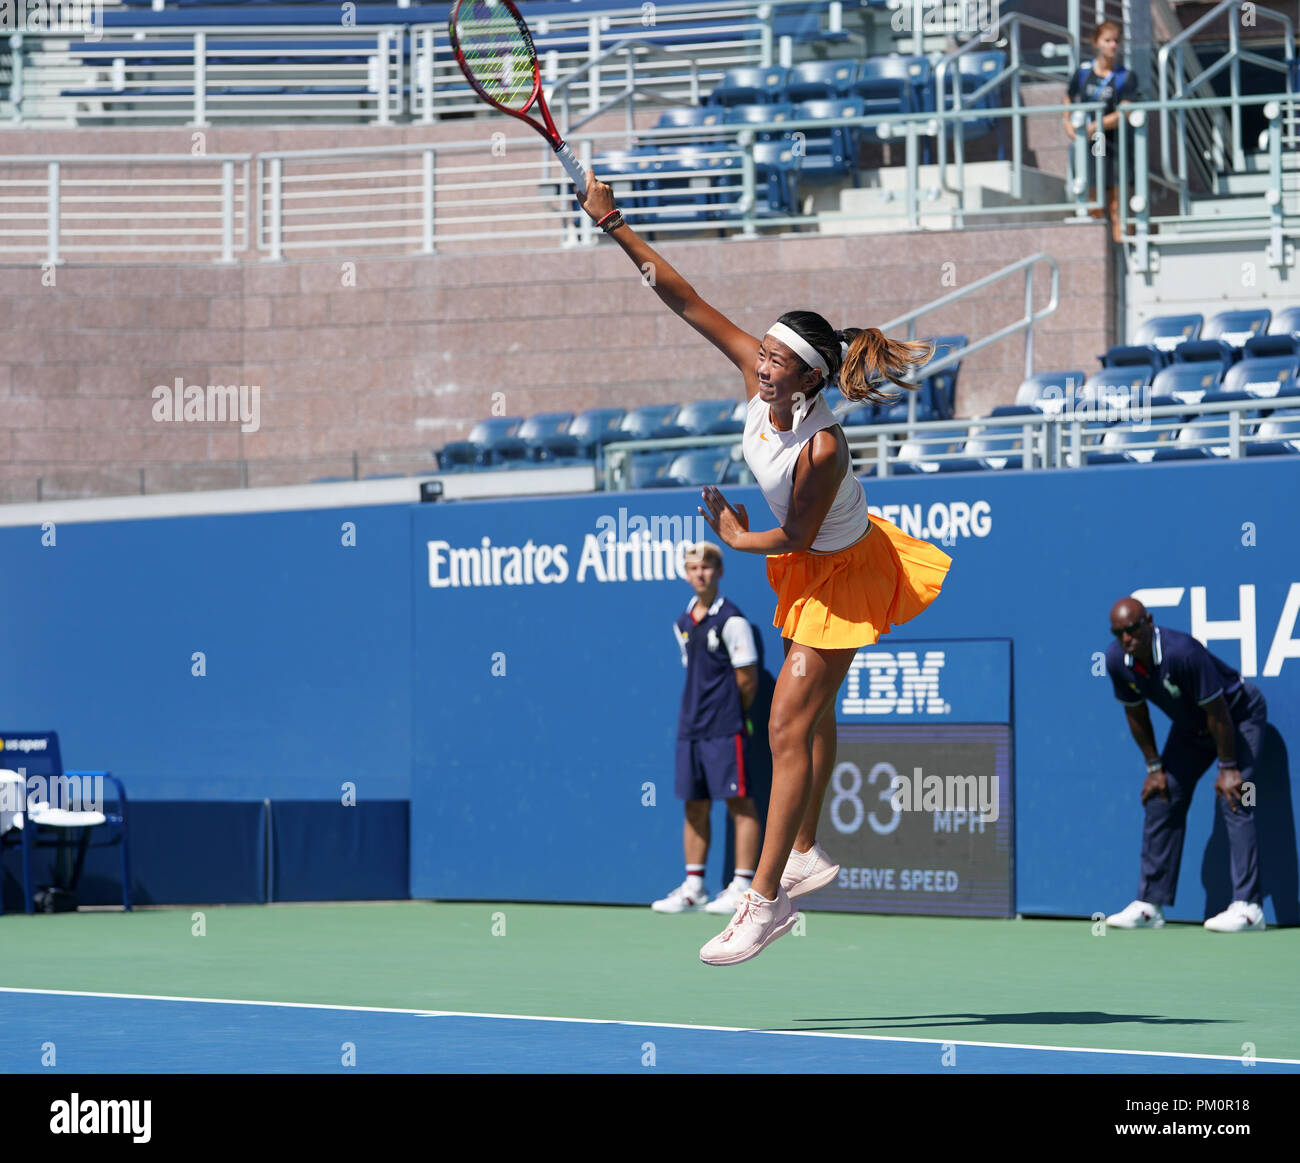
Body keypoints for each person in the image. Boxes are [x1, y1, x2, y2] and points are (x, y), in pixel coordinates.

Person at [578, 180, 952, 965]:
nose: (765, 365)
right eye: (766, 353)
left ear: (811, 379)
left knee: (785, 725)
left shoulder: (823, 445)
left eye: (780, 362)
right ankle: (808, 844)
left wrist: (731, 535)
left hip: (840, 568)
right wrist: (615, 224)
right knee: (812, 718)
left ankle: (765, 899)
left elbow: (796, 535)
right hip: (815, 565)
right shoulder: (758, 370)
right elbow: (686, 299)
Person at [1103, 596, 1269, 932]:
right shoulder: (1117, 660)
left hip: (1238, 717)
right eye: (1118, 632)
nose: (1126, 639)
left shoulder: (1183, 652)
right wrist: (1154, 767)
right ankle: (1150, 905)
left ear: (1149, 621)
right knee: (1162, 797)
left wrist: (1228, 767)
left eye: (1132, 629)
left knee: (1239, 797)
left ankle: (1249, 909)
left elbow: (1219, 712)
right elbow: (1135, 713)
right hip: (1192, 728)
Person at [651, 541, 762, 917]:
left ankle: (743, 886)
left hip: (725, 727)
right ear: (686, 574)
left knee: (739, 803)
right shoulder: (682, 623)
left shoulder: (733, 621)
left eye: (708, 567)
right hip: (691, 728)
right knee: (694, 805)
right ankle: (694, 887)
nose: (700, 574)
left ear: (720, 571)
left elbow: (747, 680)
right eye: (693, 568)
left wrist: (731, 714)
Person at [1063, 20, 1139, 245]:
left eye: (1116, 40)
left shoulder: (1126, 76)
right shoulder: (1083, 73)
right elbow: (1069, 96)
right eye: (1107, 40)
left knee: (1118, 203)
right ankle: (1098, 251)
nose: (1113, 45)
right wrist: (1066, 121)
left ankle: (1124, 251)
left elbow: (1125, 111)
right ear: (1096, 43)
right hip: (1091, 146)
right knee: (1093, 199)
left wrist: (1096, 125)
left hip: (1117, 145)